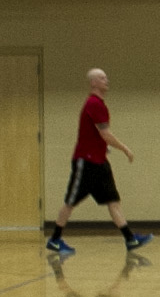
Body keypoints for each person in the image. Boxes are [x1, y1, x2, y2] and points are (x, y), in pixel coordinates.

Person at [46, 68, 152, 256]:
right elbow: (105, 134)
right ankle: (55, 239)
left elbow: (97, 136)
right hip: (85, 164)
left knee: (113, 200)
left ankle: (130, 239)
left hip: (100, 162)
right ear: (93, 83)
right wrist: (124, 148)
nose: (106, 80)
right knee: (70, 202)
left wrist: (104, 148)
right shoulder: (94, 104)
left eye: (106, 77)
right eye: (102, 78)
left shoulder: (99, 105)